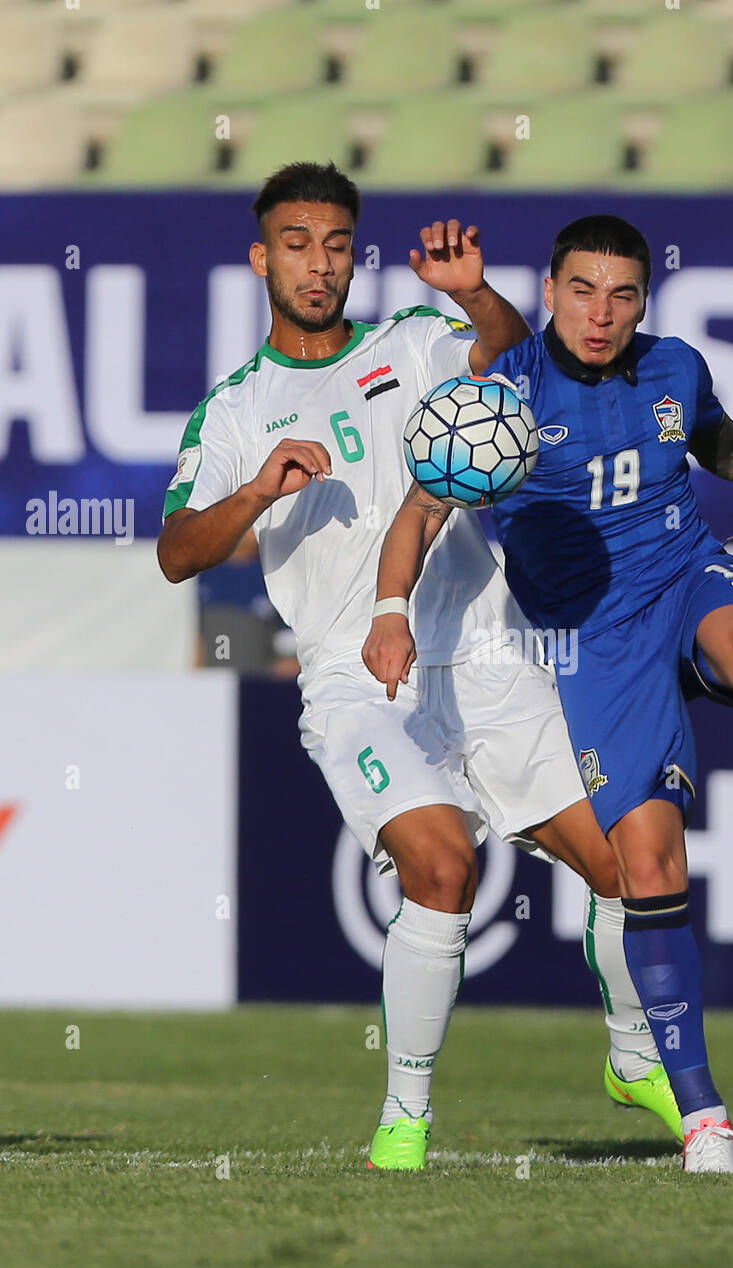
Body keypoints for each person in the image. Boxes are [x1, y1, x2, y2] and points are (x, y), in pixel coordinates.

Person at [365, 214, 733, 1175]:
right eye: (584, 291)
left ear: (647, 299)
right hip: (596, 646)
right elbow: (422, 508)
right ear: (551, 292)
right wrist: (391, 609)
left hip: (685, 575)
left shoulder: (674, 366)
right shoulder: (498, 398)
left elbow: (724, 446)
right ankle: (703, 1117)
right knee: (649, 865)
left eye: (624, 294)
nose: (603, 314)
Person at [157, 168, 681, 1172]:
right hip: (360, 684)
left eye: (338, 243)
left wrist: (474, 292)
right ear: (262, 258)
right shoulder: (236, 408)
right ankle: (405, 1117)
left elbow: (510, 354)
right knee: (443, 866)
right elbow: (177, 550)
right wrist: (259, 492)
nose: (321, 263)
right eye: (299, 243)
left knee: (625, 868)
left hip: (489, 655)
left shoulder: (409, 340)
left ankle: (626, 1055)